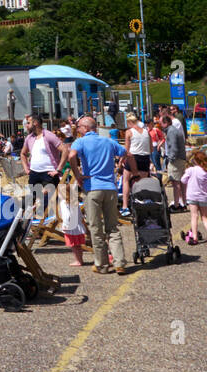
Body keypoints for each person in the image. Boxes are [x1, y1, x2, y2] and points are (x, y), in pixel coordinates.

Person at [68, 115, 131, 275]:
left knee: (96, 228)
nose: (78, 130)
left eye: (80, 127)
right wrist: (118, 167)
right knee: (113, 226)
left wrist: (77, 174)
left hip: (92, 187)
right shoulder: (108, 141)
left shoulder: (80, 142)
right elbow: (125, 152)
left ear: (87, 128)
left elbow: (71, 156)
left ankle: (102, 264)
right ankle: (119, 262)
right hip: (110, 187)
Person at [20, 115, 68, 224]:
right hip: (34, 173)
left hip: (48, 173)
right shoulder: (29, 138)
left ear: (36, 123)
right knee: (31, 199)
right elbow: (23, 154)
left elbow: (65, 150)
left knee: (44, 200)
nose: (27, 125)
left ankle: (42, 225)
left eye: (28, 122)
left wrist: (59, 169)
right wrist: (26, 169)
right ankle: (35, 226)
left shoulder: (49, 136)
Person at [181, 149, 207, 245]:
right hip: (203, 198)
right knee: (205, 217)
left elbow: (183, 180)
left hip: (192, 196)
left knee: (194, 216)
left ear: (195, 161)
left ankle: (195, 237)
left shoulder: (191, 170)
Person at [122, 115, 152, 216]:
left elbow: (126, 149)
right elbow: (151, 149)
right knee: (143, 182)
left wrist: (121, 160)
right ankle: (143, 203)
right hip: (145, 157)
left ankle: (125, 206)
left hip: (133, 157)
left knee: (126, 180)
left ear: (130, 122)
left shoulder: (129, 132)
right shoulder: (146, 132)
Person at [161, 113, 188, 211]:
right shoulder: (175, 130)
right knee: (181, 182)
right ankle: (183, 203)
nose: (160, 126)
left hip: (175, 160)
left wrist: (170, 159)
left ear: (166, 123)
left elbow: (173, 147)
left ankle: (177, 205)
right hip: (181, 158)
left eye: (161, 123)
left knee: (175, 182)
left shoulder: (171, 131)